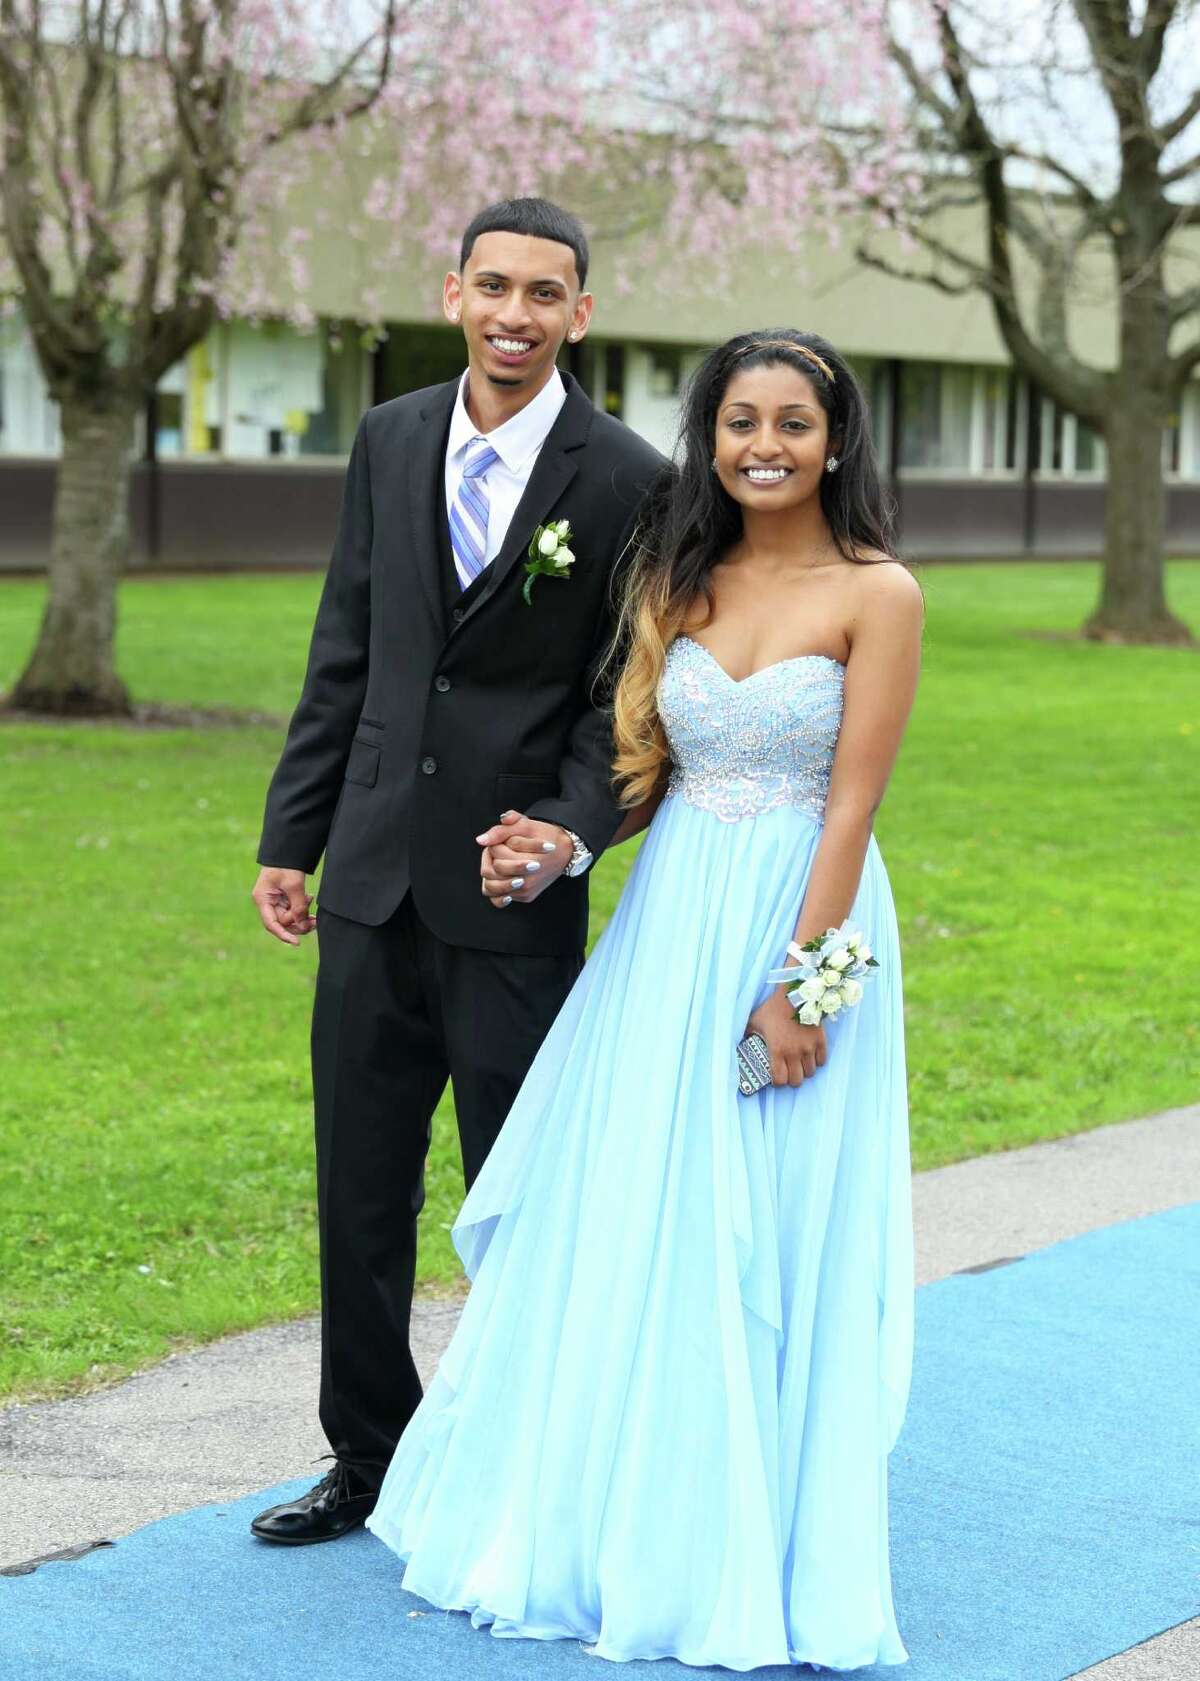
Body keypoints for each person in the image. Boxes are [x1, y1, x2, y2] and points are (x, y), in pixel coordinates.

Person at [365, 328, 924, 1670]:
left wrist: (804, 993)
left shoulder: (880, 591)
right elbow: (642, 768)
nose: (766, 446)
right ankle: (623, 1507)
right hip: (669, 923)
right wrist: (563, 842)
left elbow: (852, 803)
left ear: (834, 440)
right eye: (741, 422)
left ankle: (754, 1530)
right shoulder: (681, 573)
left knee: (764, 1227)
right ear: (711, 437)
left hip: (800, 910)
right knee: (643, 1203)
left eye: (794, 422)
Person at [248, 198, 664, 1546]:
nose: (516, 314)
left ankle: (521, 1464)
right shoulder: (390, 436)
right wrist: (291, 832)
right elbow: (350, 646)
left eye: (546, 294)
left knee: (517, 1195)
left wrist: (569, 831)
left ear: (580, 314)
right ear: (453, 291)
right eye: (495, 286)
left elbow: (630, 703)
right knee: (359, 1188)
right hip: (368, 880)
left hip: (510, 901)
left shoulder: (630, 479)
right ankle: (366, 1456)